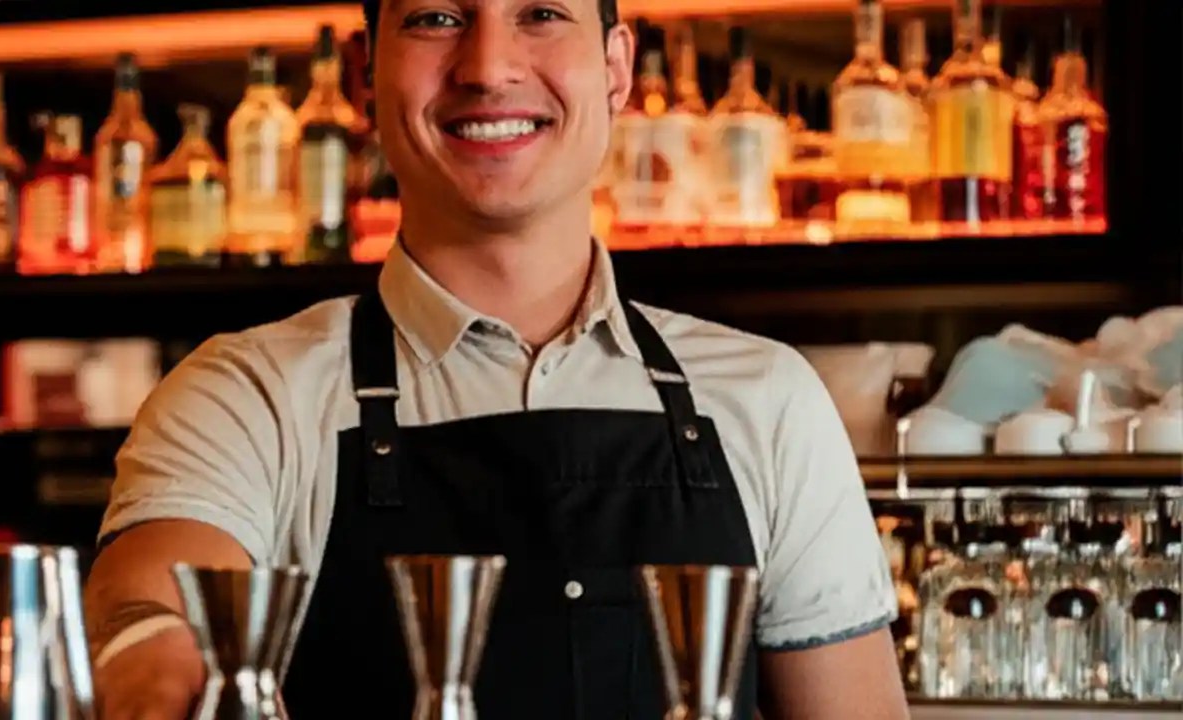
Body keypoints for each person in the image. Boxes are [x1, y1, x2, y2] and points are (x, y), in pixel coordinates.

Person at [82, 0, 910, 717]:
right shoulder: (249, 394)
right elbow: (148, 606)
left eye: (541, 15)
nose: (487, 66)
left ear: (616, 68)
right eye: (438, 19)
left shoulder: (766, 400)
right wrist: (156, 665)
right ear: (368, 71)